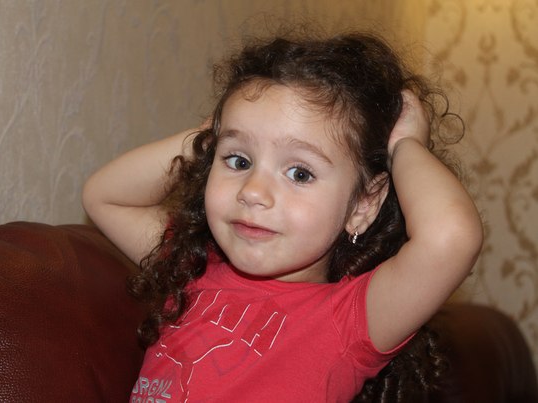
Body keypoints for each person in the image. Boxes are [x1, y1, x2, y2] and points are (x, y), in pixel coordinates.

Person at [82, 31, 483, 402]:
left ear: (363, 204)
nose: (253, 191)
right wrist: (210, 135)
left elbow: (451, 238)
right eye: (238, 161)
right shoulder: (190, 269)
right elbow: (105, 197)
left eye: (299, 173)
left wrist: (406, 147)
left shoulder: (350, 322)